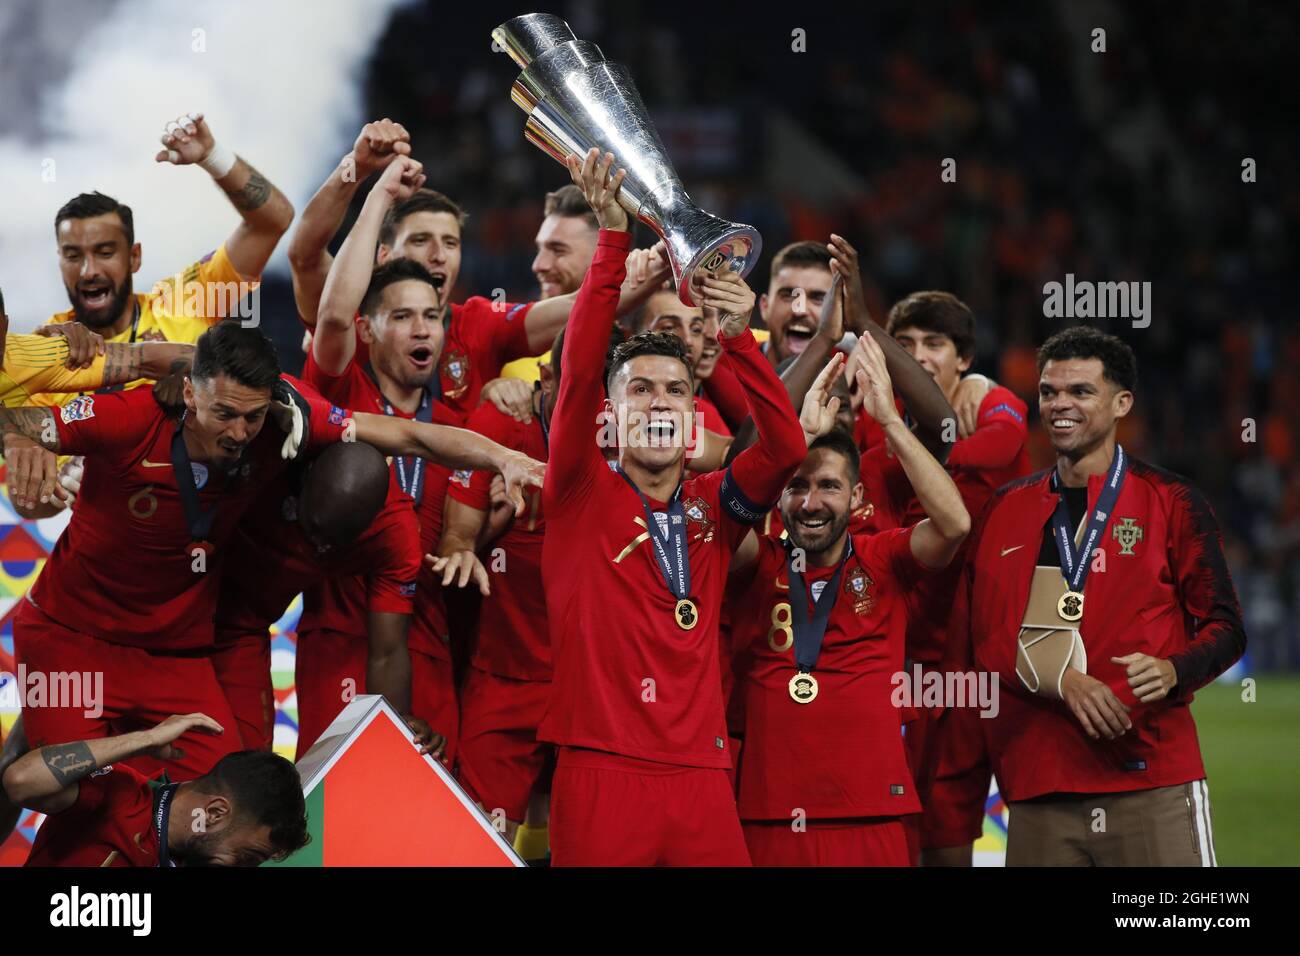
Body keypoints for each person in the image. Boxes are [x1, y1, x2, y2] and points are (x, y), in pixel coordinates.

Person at [0, 321, 544, 779]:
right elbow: (43, 407)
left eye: (252, 417)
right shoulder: (137, 418)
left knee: (232, 793)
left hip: (188, 644)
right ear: (190, 394)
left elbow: (413, 438)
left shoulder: (295, 423)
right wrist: (19, 438)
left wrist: (505, 459)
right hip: (77, 634)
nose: (239, 432)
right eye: (225, 415)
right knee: (62, 788)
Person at [540, 149, 807, 866]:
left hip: (701, 770)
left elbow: (784, 448)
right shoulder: (577, 490)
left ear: (694, 412)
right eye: (640, 390)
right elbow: (578, 367)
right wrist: (612, 240)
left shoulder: (714, 507)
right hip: (600, 765)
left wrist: (739, 337)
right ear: (612, 415)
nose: (659, 400)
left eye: (675, 390)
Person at [962, 325, 1246, 866]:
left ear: (1122, 403)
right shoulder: (1005, 509)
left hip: (1150, 779)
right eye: (1048, 392)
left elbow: (1226, 626)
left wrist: (1172, 670)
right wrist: (1063, 679)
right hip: (1041, 785)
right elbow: (986, 639)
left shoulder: (1172, 500)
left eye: (1080, 392)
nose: (1059, 405)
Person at [728, 332, 970, 865]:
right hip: (769, 807)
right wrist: (784, 447)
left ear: (857, 497)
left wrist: (888, 422)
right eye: (797, 486)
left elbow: (954, 524)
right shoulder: (756, 559)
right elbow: (729, 495)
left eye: (829, 487)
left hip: (872, 807)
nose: (811, 502)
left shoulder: (886, 558)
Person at [288, 128, 668, 420]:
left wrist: (661, 259)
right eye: (421, 240)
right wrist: (355, 168)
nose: (438, 256)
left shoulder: (479, 323)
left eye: (451, 243)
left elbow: (582, 308)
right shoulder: (348, 324)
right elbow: (305, 255)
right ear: (383, 255)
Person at [211, 442, 440, 759]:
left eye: (338, 540)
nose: (319, 546)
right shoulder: (269, 455)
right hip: (184, 607)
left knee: (247, 765)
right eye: (314, 527)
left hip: (243, 627)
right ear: (305, 474)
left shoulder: (395, 534)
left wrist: (395, 726)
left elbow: (387, 652)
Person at [3, 715, 309, 867]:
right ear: (214, 813)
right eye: (246, 857)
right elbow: (21, 780)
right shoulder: (119, 797)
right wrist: (146, 740)